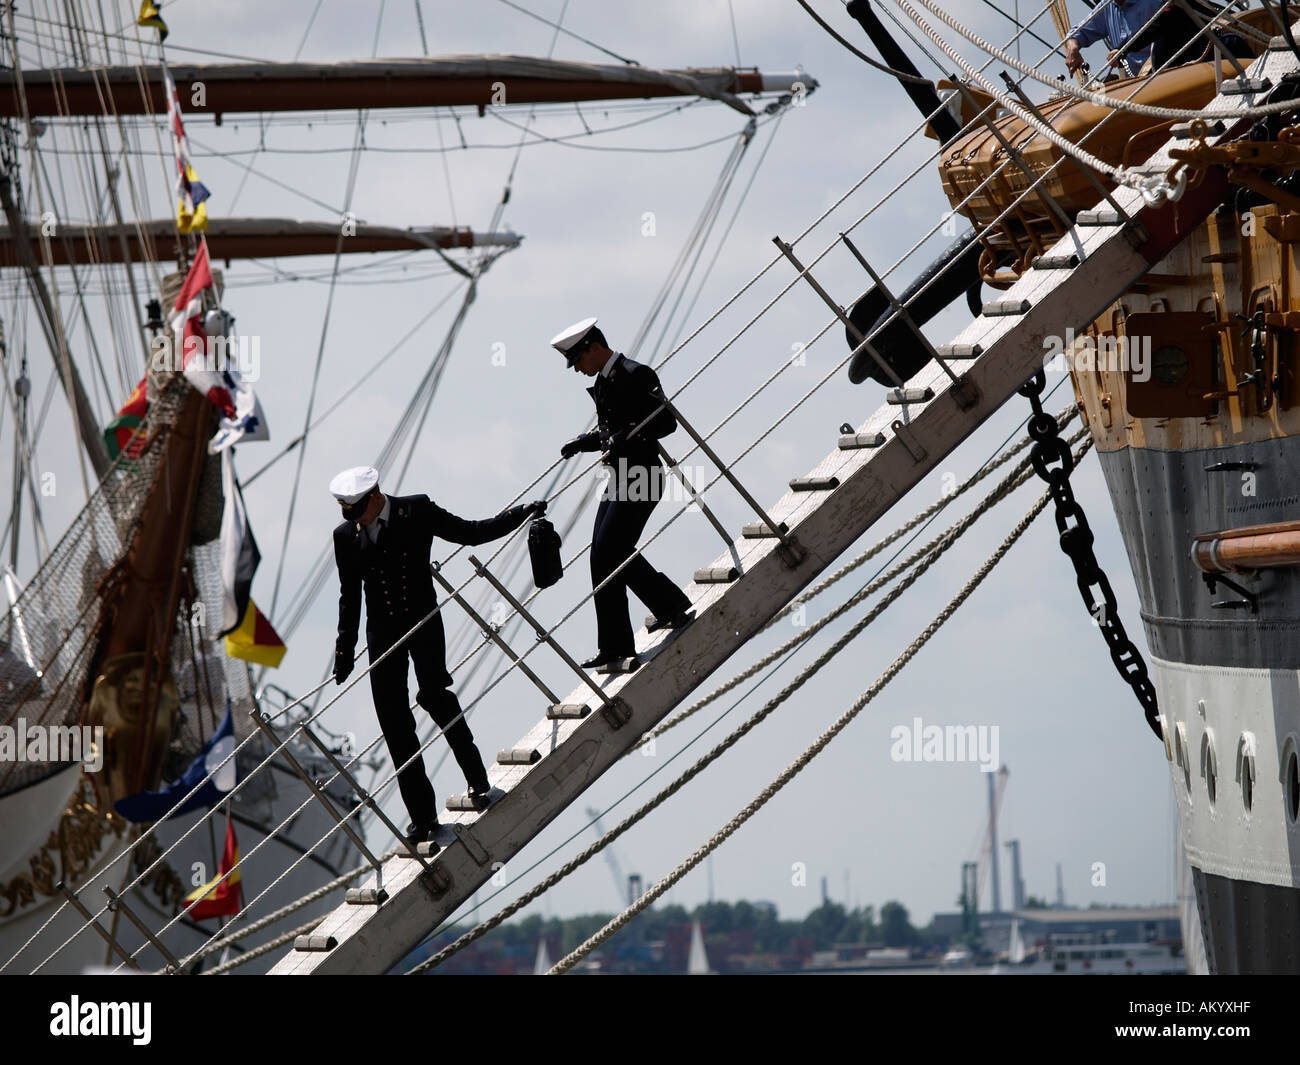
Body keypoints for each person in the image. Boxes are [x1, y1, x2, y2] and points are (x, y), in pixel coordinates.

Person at [330, 466, 545, 849]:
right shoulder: (346, 535)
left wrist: (518, 515)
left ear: (376, 496)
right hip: (382, 635)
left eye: (358, 509)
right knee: (394, 721)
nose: (356, 519)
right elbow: (350, 596)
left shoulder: (416, 510)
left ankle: (477, 778)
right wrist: (344, 652)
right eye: (349, 512)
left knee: (433, 696)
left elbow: (471, 533)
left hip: (423, 621)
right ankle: (422, 818)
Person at [552, 318, 694, 671]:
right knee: (600, 556)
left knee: (612, 551)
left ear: (593, 348)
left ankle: (668, 605)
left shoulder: (635, 373)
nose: (577, 370)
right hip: (619, 478)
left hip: (642, 475)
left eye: (577, 361)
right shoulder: (604, 382)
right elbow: (609, 432)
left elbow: (666, 422)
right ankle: (616, 644)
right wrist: (584, 443)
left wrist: (627, 435)